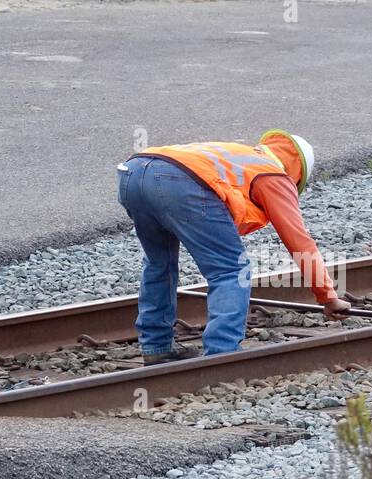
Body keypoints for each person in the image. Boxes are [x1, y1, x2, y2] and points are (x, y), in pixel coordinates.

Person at [116, 130, 350, 363]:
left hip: (133, 173)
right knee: (230, 270)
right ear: (297, 172)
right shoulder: (274, 174)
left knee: (159, 264)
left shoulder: (243, 157)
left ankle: (156, 346)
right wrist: (328, 296)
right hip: (178, 182)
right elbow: (300, 242)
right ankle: (222, 353)